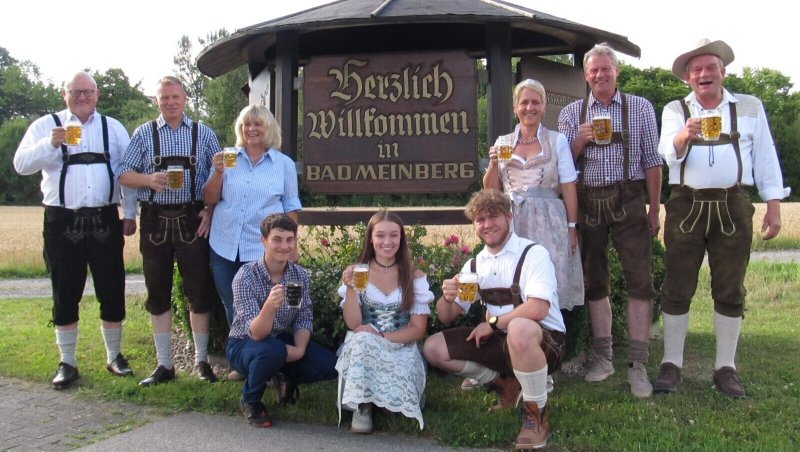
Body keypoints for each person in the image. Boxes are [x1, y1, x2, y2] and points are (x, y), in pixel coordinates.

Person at [654, 39, 788, 398]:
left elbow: (765, 157)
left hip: (734, 203)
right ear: (687, 78)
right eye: (696, 70)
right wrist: (684, 135)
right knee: (678, 284)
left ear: (723, 72)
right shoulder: (674, 109)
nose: (704, 74)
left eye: (710, 67)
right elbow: (666, 152)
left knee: (730, 287)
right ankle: (672, 364)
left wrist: (773, 203)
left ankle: (725, 368)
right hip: (686, 204)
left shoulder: (749, 106)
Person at [13, 71, 137, 390]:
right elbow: (21, 164)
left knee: (112, 287)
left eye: (88, 92)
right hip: (62, 220)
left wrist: (130, 212)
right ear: (64, 94)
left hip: (104, 218)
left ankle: (114, 356)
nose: (82, 97)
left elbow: (128, 172)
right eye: (76, 92)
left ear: (97, 95)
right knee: (64, 290)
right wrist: (50, 143)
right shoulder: (45, 125)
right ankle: (67, 362)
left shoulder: (113, 127)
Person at [423, 189, 566, 450]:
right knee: (433, 347)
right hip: (502, 343)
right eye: (480, 219)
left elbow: (538, 308)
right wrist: (447, 297)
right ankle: (505, 384)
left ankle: (536, 415)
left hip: (545, 343)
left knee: (520, 327)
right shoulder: (474, 266)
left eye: (494, 216)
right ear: (474, 225)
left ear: (509, 217)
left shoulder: (533, 253)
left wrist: (491, 324)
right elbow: (446, 316)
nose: (487, 224)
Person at [558, 43, 662, 398]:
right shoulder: (572, 112)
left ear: (617, 71)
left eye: (606, 69)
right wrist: (578, 143)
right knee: (594, 280)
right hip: (587, 200)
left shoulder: (640, 108)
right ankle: (603, 358)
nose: (600, 75)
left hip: (629, 197)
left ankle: (638, 364)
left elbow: (652, 160)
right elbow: (563, 169)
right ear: (585, 75)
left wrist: (654, 207)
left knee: (640, 280)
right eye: (593, 70)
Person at [119, 76, 220, 386]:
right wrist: (149, 181)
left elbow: (222, 173)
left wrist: (210, 209)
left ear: (185, 98)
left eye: (175, 97)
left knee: (199, 291)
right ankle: (165, 365)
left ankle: (202, 362)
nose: (170, 102)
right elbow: (123, 174)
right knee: (157, 291)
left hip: (192, 217)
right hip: (154, 220)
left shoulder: (203, 133)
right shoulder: (144, 133)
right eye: (164, 98)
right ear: (156, 100)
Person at [227, 214, 337, 427]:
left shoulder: (299, 276)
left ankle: (286, 377)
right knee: (272, 350)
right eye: (277, 239)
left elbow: (304, 316)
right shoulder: (246, 276)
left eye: (289, 240)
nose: (284, 246)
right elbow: (257, 334)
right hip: (244, 344)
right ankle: (250, 400)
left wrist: (300, 348)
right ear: (263, 241)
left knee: (329, 366)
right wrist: (269, 306)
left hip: (278, 340)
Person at [336, 211, 434, 433]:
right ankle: (363, 406)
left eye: (394, 235)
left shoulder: (414, 276)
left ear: (401, 239)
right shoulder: (359, 271)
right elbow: (353, 323)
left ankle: (394, 395)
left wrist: (381, 336)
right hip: (364, 345)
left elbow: (418, 329)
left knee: (369, 341)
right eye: (380, 236)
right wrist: (351, 288)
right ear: (371, 238)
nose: (387, 242)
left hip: (400, 345)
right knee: (361, 340)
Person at [204, 105, 301, 328]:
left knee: (263, 305)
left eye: (257, 124)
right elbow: (209, 198)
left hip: (260, 249)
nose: (251, 129)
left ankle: (262, 356)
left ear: (268, 128)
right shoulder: (228, 158)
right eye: (246, 124)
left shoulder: (283, 164)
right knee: (232, 304)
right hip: (224, 245)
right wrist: (218, 172)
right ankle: (242, 354)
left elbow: (290, 207)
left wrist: (292, 245)